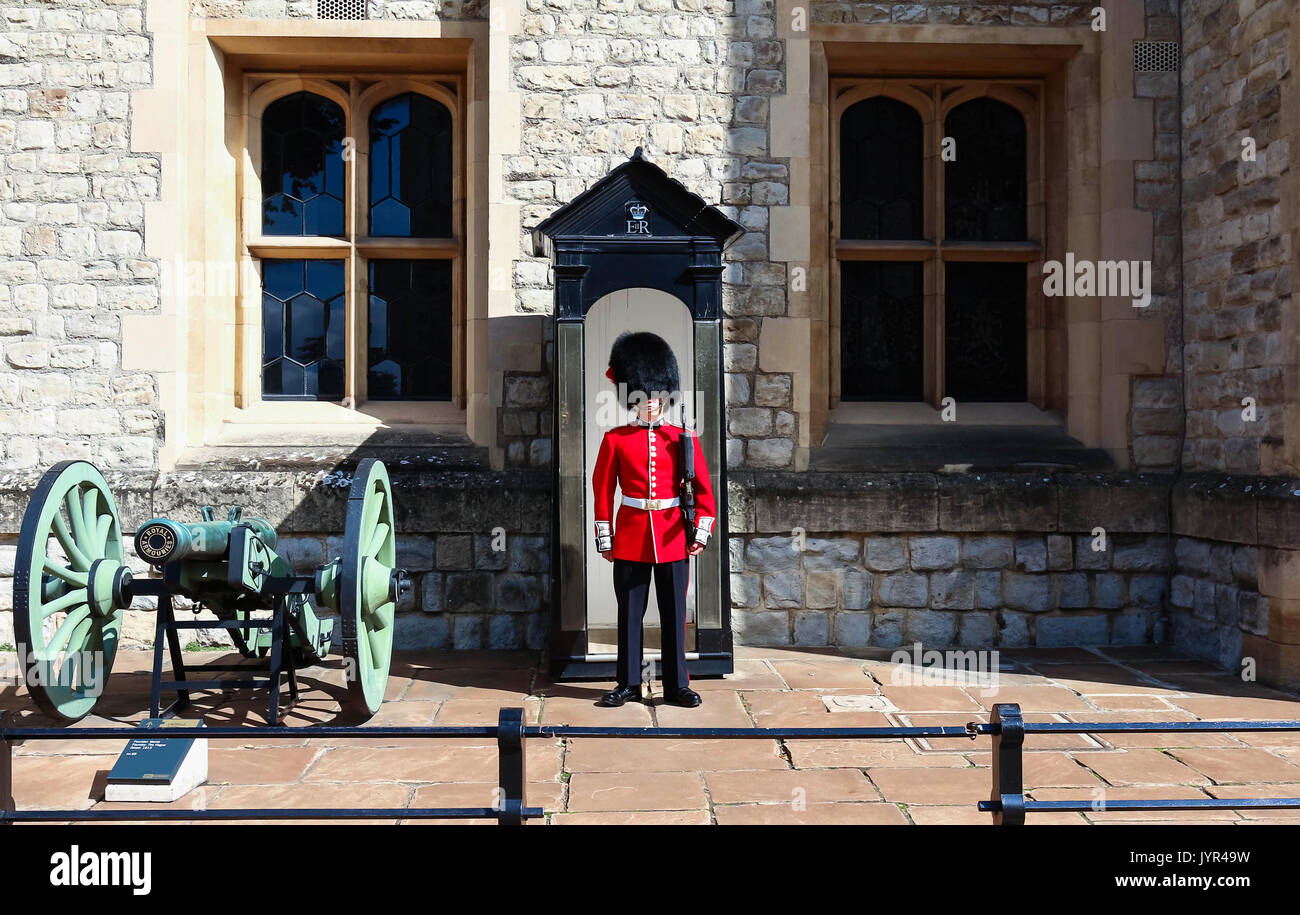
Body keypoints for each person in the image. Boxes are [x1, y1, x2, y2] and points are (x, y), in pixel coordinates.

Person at [592, 331, 717, 708]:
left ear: (665, 396)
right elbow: (602, 491)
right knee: (630, 612)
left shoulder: (682, 439)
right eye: (643, 396)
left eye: (656, 396)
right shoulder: (616, 439)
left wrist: (700, 532)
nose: (650, 403)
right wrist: (606, 537)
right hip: (631, 535)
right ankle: (629, 683)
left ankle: (677, 685)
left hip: (673, 535)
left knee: (674, 613)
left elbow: (705, 490)